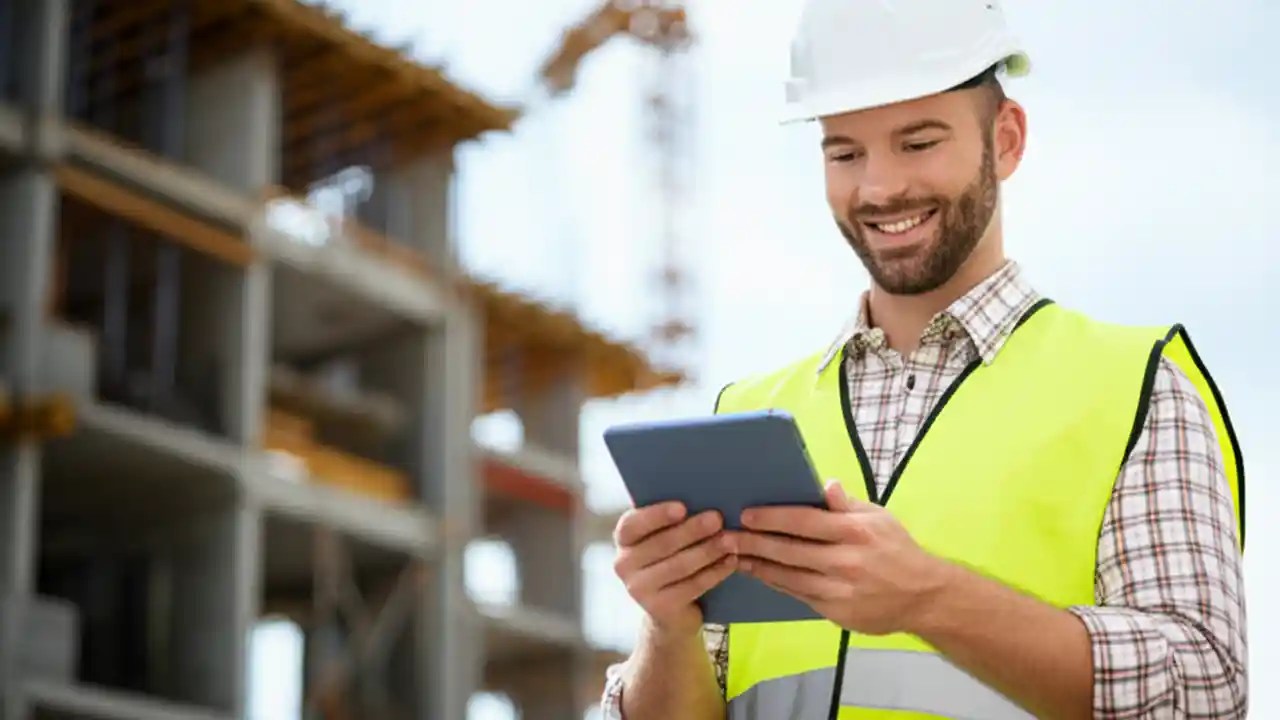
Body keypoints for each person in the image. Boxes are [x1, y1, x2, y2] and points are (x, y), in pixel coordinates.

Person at [599, 1, 1248, 718]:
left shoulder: (1136, 387)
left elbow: (1205, 692)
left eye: (918, 142)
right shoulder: (747, 414)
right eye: (845, 152)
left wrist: (927, 597)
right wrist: (667, 624)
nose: (879, 189)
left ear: (1005, 141)